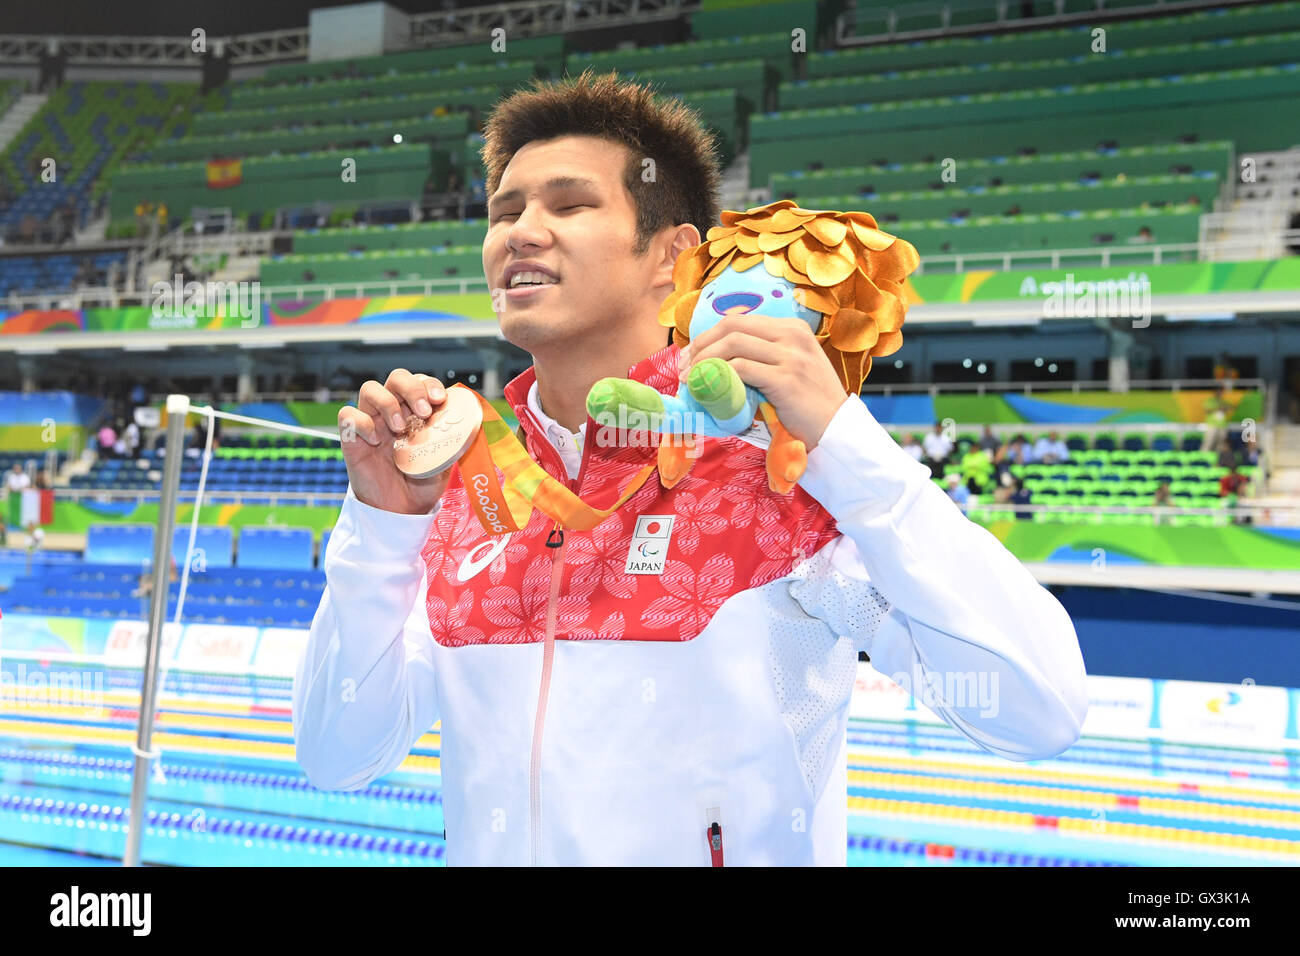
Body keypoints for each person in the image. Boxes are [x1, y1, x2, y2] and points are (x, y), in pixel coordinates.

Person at [292, 69, 1087, 867]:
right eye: (506, 210)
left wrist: (846, 445)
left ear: (674, 258)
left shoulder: (779, 478)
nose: (520, 232)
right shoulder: (476, 486)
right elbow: (337, 755)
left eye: (568, 205)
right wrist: (383, 530)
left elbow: (1037, 711)